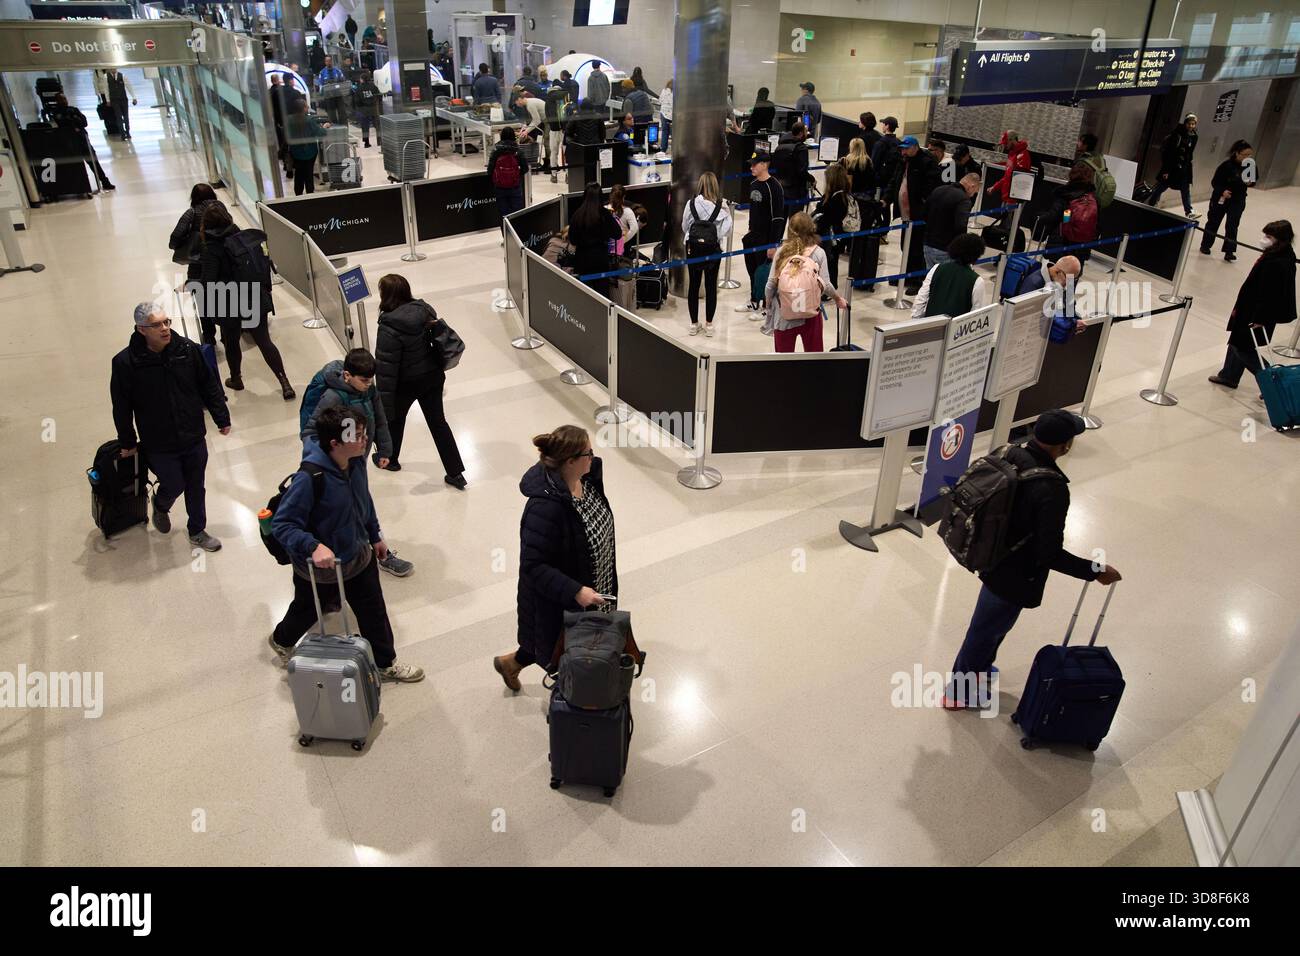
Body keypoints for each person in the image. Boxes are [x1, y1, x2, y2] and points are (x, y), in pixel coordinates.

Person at [943, 410, 1122, 710]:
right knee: (985, 631)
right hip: (1014, 573)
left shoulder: (1010, 453)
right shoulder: (1051, 489)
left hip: (991, 555)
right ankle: (957, 693)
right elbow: (1048, 553)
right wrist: (1094, 571)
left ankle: (979, 671)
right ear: (1065, 446)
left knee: (992, 627)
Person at [268, 405, 425, 684]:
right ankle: (282, 639)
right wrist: (313, 546)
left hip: (358, 556)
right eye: (359, 436)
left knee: (374, 613)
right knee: (307, 609)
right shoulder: (309, 478)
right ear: (335, 443)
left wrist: (375, 534)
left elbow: (363, 500)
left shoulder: (354, 464)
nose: (365, 440)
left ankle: (385, 664)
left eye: (365, 434)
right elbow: (283, 524)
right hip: (322, 570)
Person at [493, 426, 617, 692]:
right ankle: (572, 714)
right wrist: (577, 591)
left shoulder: (587, 481)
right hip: (564, 599)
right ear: (570, 461)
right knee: (567, 658)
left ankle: (512, 663)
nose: (593, 458)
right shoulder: (545, 508)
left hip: (594, 587)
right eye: (588, 453)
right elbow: (533, 566)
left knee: (553, 645)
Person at [111, 301, 229, 553]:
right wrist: (128, 442)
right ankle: (162, 503)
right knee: (175, 483)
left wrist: (222, 418)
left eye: (166, 322)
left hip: (192, 433)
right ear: (141, 329)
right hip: (158, 440)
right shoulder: (126, 363)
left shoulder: (187, 350)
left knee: (196, 484)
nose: (164, 329)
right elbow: (121, 406)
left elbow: (208, 384)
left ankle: (197, 530)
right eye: (156, 325)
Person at [373, 274, 467, 486]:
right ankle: (455, 473)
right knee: (438, 423)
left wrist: (382, 400)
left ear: (386, 295)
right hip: (432, 376)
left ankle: (390, 459)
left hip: (405, 383)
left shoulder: (388, 327)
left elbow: (387, 369)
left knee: (394, 420)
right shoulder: (424, 311)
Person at [197, 202, 293, 398]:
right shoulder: (243, 239)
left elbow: (208, 281)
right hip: (255, 295)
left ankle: (236, 379)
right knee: (264, 341)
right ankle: (284, 382)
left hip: (229, 300)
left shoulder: (211, 248)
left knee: (231, 341)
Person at [1208, 220, 1297, 392]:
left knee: (1244, 349)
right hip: (1250, 309)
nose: (1265, 239)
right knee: (1236, 342)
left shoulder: (1276, 263)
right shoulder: (1281, 255)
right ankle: (1229, 375)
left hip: (1256, 313)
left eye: (1269, 236)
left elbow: (1269, 295)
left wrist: (1260, 318)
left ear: (1280, 239)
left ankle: (1275, 384)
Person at [763, 212, 847, 353]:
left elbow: (770, 285)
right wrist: (838, 299)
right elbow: (826, 284)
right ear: (812, 229)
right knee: (814, 357)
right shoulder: (819, 253)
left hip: (784, 314)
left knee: (783, 362)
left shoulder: (781, 252)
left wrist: (769, 304)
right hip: (811, 313)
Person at [890, 135, 943, 294]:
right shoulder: (904, 161)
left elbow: (932, 185)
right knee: (905, 245)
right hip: (906, 213)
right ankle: (906, 275)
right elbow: (896, 181)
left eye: (906, 148)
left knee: (917, 248)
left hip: (919, 215)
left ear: (915, 147)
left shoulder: (927, 162)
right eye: (902, 148)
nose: (903, 151)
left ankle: (917, 279)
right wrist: (887, 198)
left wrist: (922, 201)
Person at [681, 172, 732, 336]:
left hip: (693, 249)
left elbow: (685, 226)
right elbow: (727, 230)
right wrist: (714, 237)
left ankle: (693, 324)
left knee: (694, 286)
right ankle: (709, 325)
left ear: (700, 185)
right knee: (711, 286)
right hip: (713, 250)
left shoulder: (691, 204)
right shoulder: (722, 205)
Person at [169, 183, 221, 344]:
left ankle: (209, 336)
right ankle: (226, 333)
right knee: (223, 299)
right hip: (220, 263)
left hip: (198, 267)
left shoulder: (191, 213)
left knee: (204, 303)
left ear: (194, 197)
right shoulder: (221, 210)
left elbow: (174, 239)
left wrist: (187, 243)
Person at [736, 153, 787, 317]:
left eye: (755, 164)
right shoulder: (753, 184)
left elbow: (778, 217)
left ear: (765, 165)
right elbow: (753, 210)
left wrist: (774, 243)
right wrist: (750, 229)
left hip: (767, 238)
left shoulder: (774, 187)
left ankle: (766, 307)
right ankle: (753, 301)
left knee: (764, 273)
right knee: (752, 270)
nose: (751, 167)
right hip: (753, 235)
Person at [911, 232, 991, 319]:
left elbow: (921, 298)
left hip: (930, 325)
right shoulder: (977, 281)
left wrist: (916, 320)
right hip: (957, 330)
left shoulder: (937, 268)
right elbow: (977, 314)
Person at [1038, 163, 1099, 271]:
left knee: (1055, 276)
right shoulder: (1093, 197)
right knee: (1071, 275)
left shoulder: (1065, 194)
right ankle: (1069, 288)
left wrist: (1039, 217)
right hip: (1081, 246)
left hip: (1061, 242)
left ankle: (1056, 288)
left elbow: (1054, 216)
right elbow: (1097, 224)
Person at [1200, 140, 1254, 261]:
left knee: (1232, 225)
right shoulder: (1226, 166)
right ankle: (1205, 245)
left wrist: (1250, 183)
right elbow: (1215, 182)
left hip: (1238, 199)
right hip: (1222, 198)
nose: (1247, 157)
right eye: (1244, 155)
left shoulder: (1250, 166)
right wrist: (1222, 191)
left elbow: (1253, 181)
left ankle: (1229, 251)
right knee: (1214, 221)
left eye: (1249, 155)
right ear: (1236, 153)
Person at [48, 93, 113, 190]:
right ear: (57, 101)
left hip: (83, 141)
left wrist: (74, 121)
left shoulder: (73, 109)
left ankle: (105, 182)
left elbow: (84, 122)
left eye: (65, 98)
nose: (64, 101)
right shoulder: (56, 113)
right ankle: (81, 187)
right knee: (76, 168)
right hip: (70, 144)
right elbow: (64, 124)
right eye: (61, 99)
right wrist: (74, 121)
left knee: (94, 163)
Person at [567, 182, 622, 297]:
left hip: (582, 260)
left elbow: (572, 240)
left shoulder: (577, 215)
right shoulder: (605, 214)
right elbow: (618, 234)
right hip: (600, 260)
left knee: (583, 297)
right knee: (602, 297)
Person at [921, 171, 979, 269]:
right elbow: (961, 226)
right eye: (975, 191)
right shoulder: (964, 200)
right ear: (971, 186)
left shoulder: (938, 189)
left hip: (927, 244)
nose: (973, 195)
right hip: (945, 248)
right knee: (944, 281)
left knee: (931, 278)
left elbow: (924, 214)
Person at [1148, 113, 1199, 218]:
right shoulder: (1177, 135)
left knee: (1185, 189)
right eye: (1189, 123)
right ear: (1185, 123)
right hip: (1172, 167)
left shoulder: (1194, 137)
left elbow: (1190, 153)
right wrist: (1166, 170)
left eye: (1193, 124)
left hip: (1184, 168)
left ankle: (1188, 211)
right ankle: (1152, 202)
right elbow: (1169, 153)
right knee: (1162, 186)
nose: (1191, 126)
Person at [812, 162, 853, 289]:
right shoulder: (834, 195)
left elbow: (829, 218)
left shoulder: (838, 197)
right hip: (829, 234)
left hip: (832, 236)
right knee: (827, 262)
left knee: (830, 263)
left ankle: (830, 287)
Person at [285, 97, 329, 195]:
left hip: (295, 152)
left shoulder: (288, 120)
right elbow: (321, 133)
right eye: (306, 106)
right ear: (304, 108)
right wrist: (324, 127)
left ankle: (298, 194)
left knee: (299, 173)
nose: (308, 107)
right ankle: (309, 193)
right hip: (309, 152)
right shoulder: (309, 120)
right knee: (308, 173)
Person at [488, 126, 526, 220]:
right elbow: (525, 168)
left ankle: (505, 233)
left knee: (503, 215)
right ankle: (516, 233)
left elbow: (490, 170)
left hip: (500, 187)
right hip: (515, 186)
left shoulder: (496, 150)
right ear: (513, 136)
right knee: (517, 214)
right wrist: (516, 175)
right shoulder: (517, 150)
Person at [987, 130, 1031, 206]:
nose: (1005, 146)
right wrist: (994, 187)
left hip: (1013, 200)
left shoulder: (1023, 155)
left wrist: (1012, 201)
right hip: (1006, 197)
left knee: (1007, 217)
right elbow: (1007, 176)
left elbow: (1021, 180)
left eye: (1006, 143)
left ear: (1012, 140)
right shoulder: (1012, 154)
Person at [773, 120, 812, 205]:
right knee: (796, 216)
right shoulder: (801, 149)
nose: (807, 134)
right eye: (806, 131)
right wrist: (812, 179)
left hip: (781, 185)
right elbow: (802, 171)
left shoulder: (780, 146)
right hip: (796, 189)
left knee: (782, 214)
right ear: (801, 133)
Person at [872, 117, 901, 222]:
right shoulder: (898, 142)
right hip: (893, 180)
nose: (882, 126)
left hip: (880, 180)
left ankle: (878, 225)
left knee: (878, 203)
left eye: (883, 124)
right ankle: (885, 228)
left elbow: (874, 163)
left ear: (887, 126)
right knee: (886, 204)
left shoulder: (881, 143)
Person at [103, 68, 137, 141]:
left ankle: (127, 131)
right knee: (118, 117)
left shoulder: (122, 76)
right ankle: (122, 133)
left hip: (123, 99)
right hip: (114, 99)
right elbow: (106, 89)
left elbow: (129, 86)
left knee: (126, 116)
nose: (113, 70)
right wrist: (108, 100)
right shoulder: (106, 77)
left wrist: (134, 97)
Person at [607, 184, 640, 256]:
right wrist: (622, 241)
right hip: (622, 250)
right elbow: (635, 228)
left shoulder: (605, 209)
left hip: (607, 247)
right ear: (623, 197)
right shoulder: (628, 211)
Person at [352, 70, 382, 148]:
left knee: (365, 127)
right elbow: (379, 96)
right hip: (373, 108)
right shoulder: (373, 86)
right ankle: (380, 141)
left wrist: (361, 106)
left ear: (362, 79)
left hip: (364, 110)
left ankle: (366, 143)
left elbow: (357, 101)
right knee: (377, 126)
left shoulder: (359, 89)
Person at [315, 55, 347, 125]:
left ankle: (344, 126)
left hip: (338, 94)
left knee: (342, 112)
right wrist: (322, 92)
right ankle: (334, 125)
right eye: (327, 61)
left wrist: (341, 81)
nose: (328, 62)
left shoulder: (337, 70)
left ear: (332, 61)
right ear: (325, 62)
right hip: (329, 96)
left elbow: (343, 79)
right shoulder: (322, 72)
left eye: (330, 61)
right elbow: (320, 85)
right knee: (331, 114)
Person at [268, 74, 290, 168]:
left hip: (276, 119)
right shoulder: (281, 91)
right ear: (278, 80)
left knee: (281, 138)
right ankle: (284, 157)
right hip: (284, 118)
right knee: (287, 139)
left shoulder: (270, 92)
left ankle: (282, 155)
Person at [658, 78, 673, 149]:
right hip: (671, 115)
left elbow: (660, 101)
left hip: (663, 113)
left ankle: (663, 149)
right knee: (674, 134)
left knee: (664, 132)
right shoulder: (675, 92)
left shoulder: (664, 90)